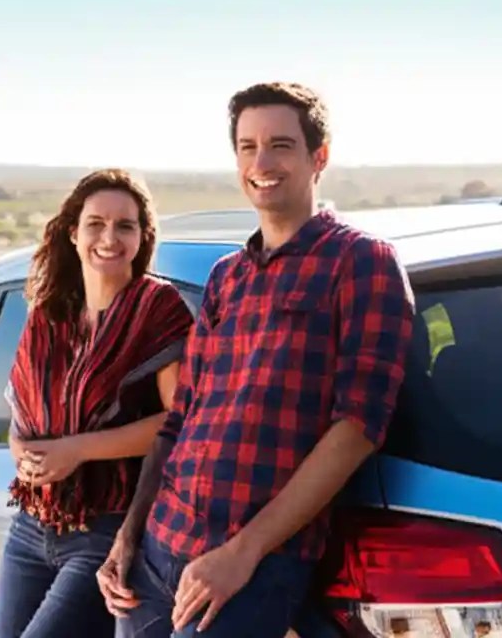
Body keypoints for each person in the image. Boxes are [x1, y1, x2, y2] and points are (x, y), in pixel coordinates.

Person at [96, 82, 416, 637]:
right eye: (247, 147)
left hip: (249, 567)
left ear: (319, 157)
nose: (261, 163)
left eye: (280, 145)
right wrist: (127, 535)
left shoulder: (361, 262)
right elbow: (180, 420)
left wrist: (243, 554)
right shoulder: (227, 276)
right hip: (157, 549)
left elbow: (359, 428)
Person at [0, 168, 196, 638]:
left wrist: (77, 450)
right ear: (73, 232)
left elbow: (179, 421)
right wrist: (25, 458)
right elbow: (22, 416)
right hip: (30, 524)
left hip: (107, 528)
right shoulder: (49, 312)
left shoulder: (157, 307)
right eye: (96, 224)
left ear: (143, 236)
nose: (110, 238)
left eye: (125, 226)